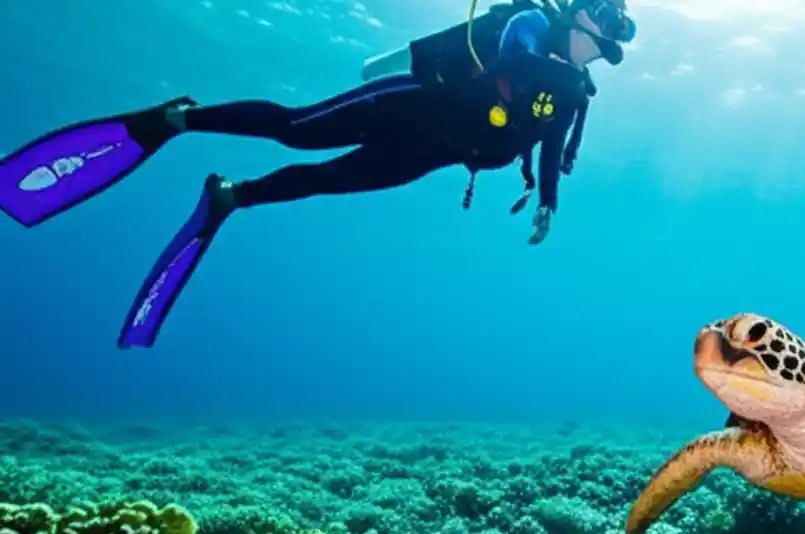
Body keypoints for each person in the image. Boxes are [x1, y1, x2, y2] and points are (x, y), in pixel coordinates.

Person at [0, 0, 636, 349]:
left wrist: (550, 199)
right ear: (580, 13)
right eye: (607, 19)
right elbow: (511, 62)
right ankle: (178, 119)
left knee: (323, 181)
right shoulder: (528, 25)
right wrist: (570, 83)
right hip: (405, 106)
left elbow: (550, 145)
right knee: (296, 128)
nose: (609, 36)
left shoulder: (574, 93)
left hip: (424, 155)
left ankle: (230, 197)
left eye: (617, 32)